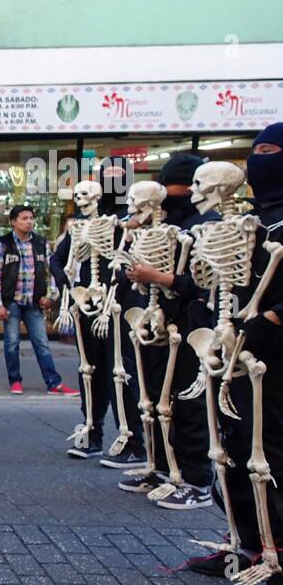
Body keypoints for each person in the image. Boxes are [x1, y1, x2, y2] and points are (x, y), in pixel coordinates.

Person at [185, 124, 283, 585]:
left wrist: (265, 322)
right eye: (256, 151)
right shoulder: (256, 222)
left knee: (272, 456)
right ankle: (246, 546)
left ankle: (280, 563)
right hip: (234, 351)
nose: (260, 160)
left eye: (271, 151)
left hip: (273, 359)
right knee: (235, 447)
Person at [121, 152, 215, 507]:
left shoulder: (205, 226)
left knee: (188, 404)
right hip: (159, 323)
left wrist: (162, 278)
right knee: (159, 398)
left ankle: (197, 479)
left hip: (192, 327)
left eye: (168, 185)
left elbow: (208, 284)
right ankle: (163, 467)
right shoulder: (163, 224)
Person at [51, 157, 137, 459]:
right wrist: (69, 288)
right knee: (89, 370)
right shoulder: (82, 224)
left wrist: (115, 294)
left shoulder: (129, 222)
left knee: (121, 372)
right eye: (107, 175)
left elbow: (128, 264)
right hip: (85, 307)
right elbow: (58, 259)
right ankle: (93, 430)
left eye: (118, 176)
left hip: (116, 310)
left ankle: (133, 441)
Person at [0, 205, 77, 396]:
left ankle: (53, 383)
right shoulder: (3, 244)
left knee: (42, 343)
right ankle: (15, 380)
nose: (29, 221)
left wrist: (51, 295)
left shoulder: (40, 243)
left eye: (31, 218)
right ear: (13, 222)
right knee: (12, 342)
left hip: (34, 301)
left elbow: (51, 271)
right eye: (24, 218)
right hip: (11, 300)